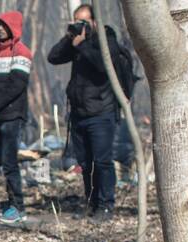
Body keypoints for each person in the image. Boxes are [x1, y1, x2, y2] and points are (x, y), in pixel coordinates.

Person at [47, 4, 132, 219]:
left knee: (102, 162)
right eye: (77, 21)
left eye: (84, 21)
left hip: (102, 112)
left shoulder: (106, 39)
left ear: (94, 21)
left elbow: (103, 66)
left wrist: (83, 45)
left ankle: (106, 206)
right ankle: (92, 204)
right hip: (79, 114)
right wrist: (70, 38)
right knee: (85, 163)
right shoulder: (76, 42)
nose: (80, 25)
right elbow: (53, 57)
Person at [0, 12, 33, 223]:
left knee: (10, 163)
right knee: (4, 161)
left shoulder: (21, 52)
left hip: (12, 115)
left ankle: (18, 207)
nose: (0, 29)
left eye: (5, 26)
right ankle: (12, 203)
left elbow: (16, 85)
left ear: (14, 28)